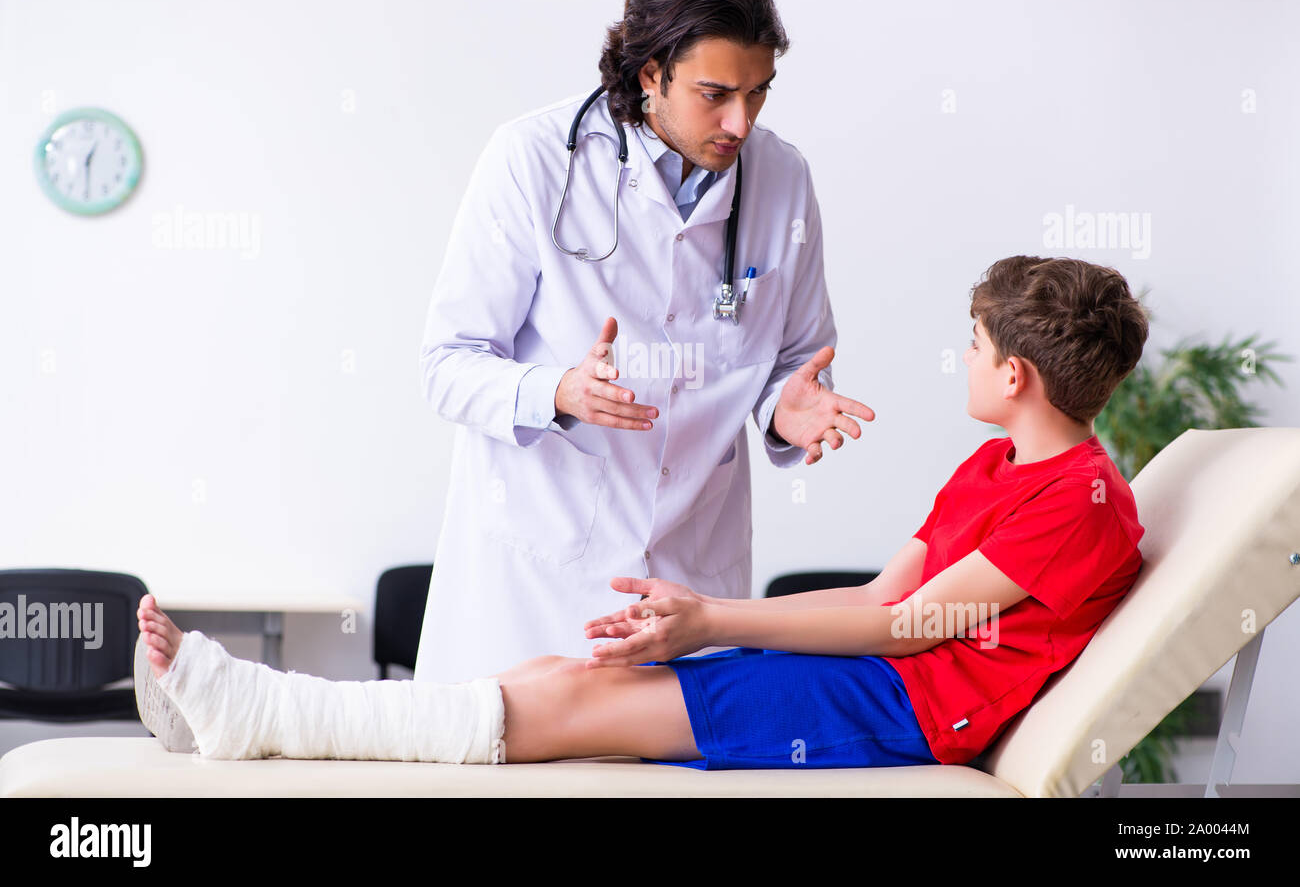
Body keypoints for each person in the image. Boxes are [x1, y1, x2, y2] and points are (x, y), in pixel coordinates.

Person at [135, 256, 1150, 770]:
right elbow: (886, 596)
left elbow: (906, 624)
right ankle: (249, 716)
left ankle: (259, 714)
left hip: (905, 709)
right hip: (880, 678)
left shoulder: (1079, 504)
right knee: (563, 674)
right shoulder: (998, 462)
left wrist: (711, 617)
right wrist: (712, 621)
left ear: (1011, 372)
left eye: (971, 347)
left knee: (580, 707)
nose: (962, 359)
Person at [412, 0, 875, 684]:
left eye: (759, 94)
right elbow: (447, 365)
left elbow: (793, 359)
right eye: (716, 93)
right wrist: (557, 391)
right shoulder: (532, 160)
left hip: (691, 584)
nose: (741, 122)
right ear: (650, 72)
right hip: (538, 578)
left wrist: (787, 407)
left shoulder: (783, 180)